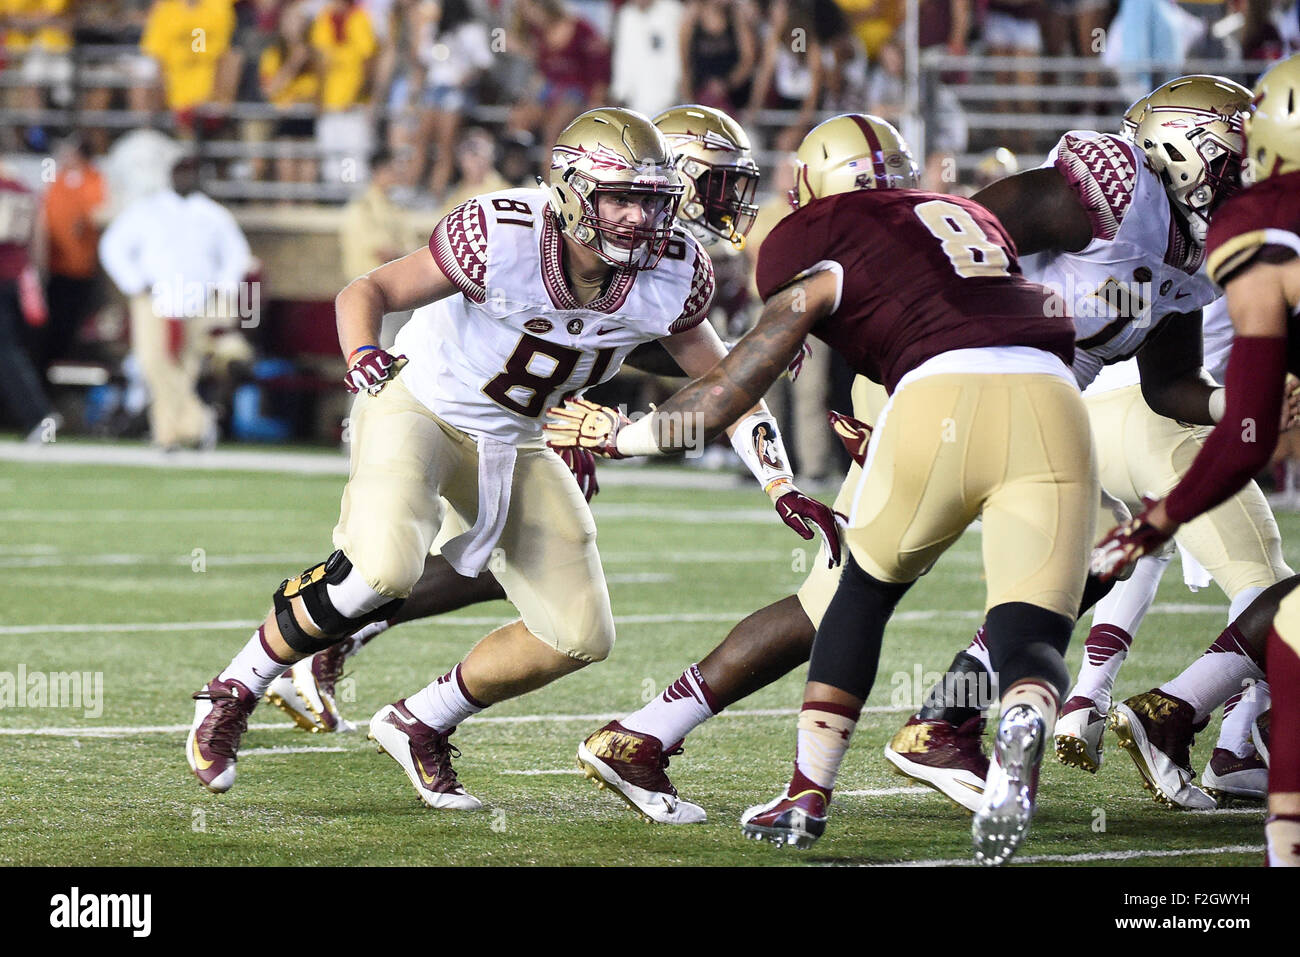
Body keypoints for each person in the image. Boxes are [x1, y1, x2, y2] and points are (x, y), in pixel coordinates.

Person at [185, 108, 838, 808]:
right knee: (382, 568)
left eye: (652, 202)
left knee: (579, 632)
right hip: (423, 404)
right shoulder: (501, 231)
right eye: (621, 199)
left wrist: (778, 482)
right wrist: (364, 352)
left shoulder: (676, 269)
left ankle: (421, 720)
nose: (640, 222)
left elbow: (728, 388)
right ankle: (234, 685)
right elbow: (366, 290)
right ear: (572, 190)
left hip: (522, 436)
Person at [548, 113, 1094, 866]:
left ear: (816, 190)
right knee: (1030, 621)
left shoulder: (818, 237)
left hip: (934, 392)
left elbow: (725, 393)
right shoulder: (965, 213)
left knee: (853, 592)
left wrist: (620, 434)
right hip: (1056, 397)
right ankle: (1022, 709)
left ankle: (807, 788)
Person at [878, 75, 1295, 816]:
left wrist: (1239, 400)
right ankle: (939, 722)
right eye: (1237, 165)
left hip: (1043, 402)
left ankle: (941, 720)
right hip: (979, 377)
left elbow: (1169, 385)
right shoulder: (1113, 190)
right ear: (1182, 150)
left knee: (1092, 560)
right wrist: (894, 367)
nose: (1249, 184)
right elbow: (949, 237)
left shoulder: (1191, 257)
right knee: (1073, 557)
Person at [1091, 54, 1300, 865]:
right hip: (1146, 417)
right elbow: (1238, 419)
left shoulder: (1247, 226)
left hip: (1135, 417)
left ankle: (1194, 722)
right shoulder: (1211, 229)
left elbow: (1246, 427)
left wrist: (1157, 523)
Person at [98, 155, 252, 450]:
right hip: (152, 298)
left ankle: (167, 434)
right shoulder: (147, 210)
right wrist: (134, 280)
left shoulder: (213, 214)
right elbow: (112, 245)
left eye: (190, 174)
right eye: (180, 173)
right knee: (152, 363)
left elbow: (236, 254)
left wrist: (223, 287)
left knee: (188, 366)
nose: (185, 179)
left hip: (200, 301)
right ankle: (199, 423)